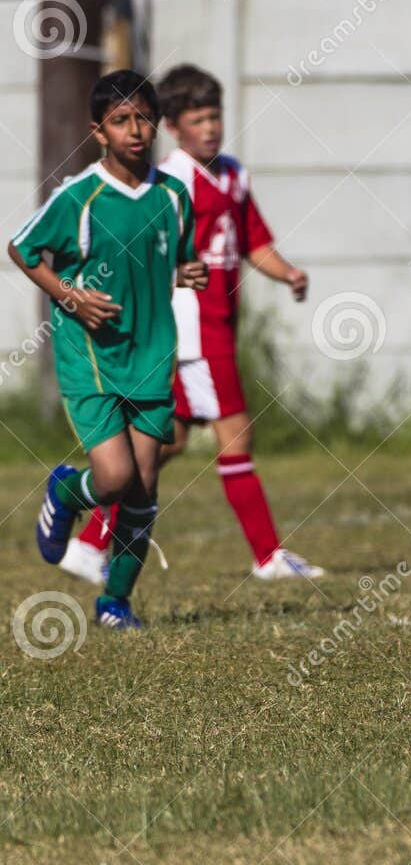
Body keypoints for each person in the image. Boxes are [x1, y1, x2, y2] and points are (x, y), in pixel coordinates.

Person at [60, 63, 324, 585]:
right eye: (198, 119)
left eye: (216, 116)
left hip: (218, 325)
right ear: (173, 126)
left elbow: (252, 242)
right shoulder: (171, 179)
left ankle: (89, 544)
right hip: (191, 330)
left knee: (164, 444)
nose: (211, 128)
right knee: (236, 437)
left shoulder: (232, 173)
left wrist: (288, 272)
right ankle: (267, 555)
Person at [8, 70, 208, 628]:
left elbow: (174, 261)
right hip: (90, 355)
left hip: (151, 352)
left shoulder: (173, 195)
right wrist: (70, 297)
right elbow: (22, 249)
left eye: (144, 118)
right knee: (115, 478)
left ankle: (114, 603)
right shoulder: (79, 196)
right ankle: (67, 493)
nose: (136, 130)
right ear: (99, 131)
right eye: (121, 121)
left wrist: (188, 272)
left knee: (143, 489)